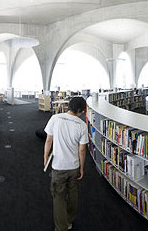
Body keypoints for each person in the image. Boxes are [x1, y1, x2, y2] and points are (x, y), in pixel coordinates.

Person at [43, 97, 89, 231]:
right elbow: (82, 150)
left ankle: (61, 227)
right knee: (73, 194)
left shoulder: (55, 118)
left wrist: (46, 157)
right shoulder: (82, 125)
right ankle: (69, 221)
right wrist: (82, 167)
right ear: (80, 110)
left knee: (58, 197)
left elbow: (48, 140)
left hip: (58, 166)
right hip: (73, 166)